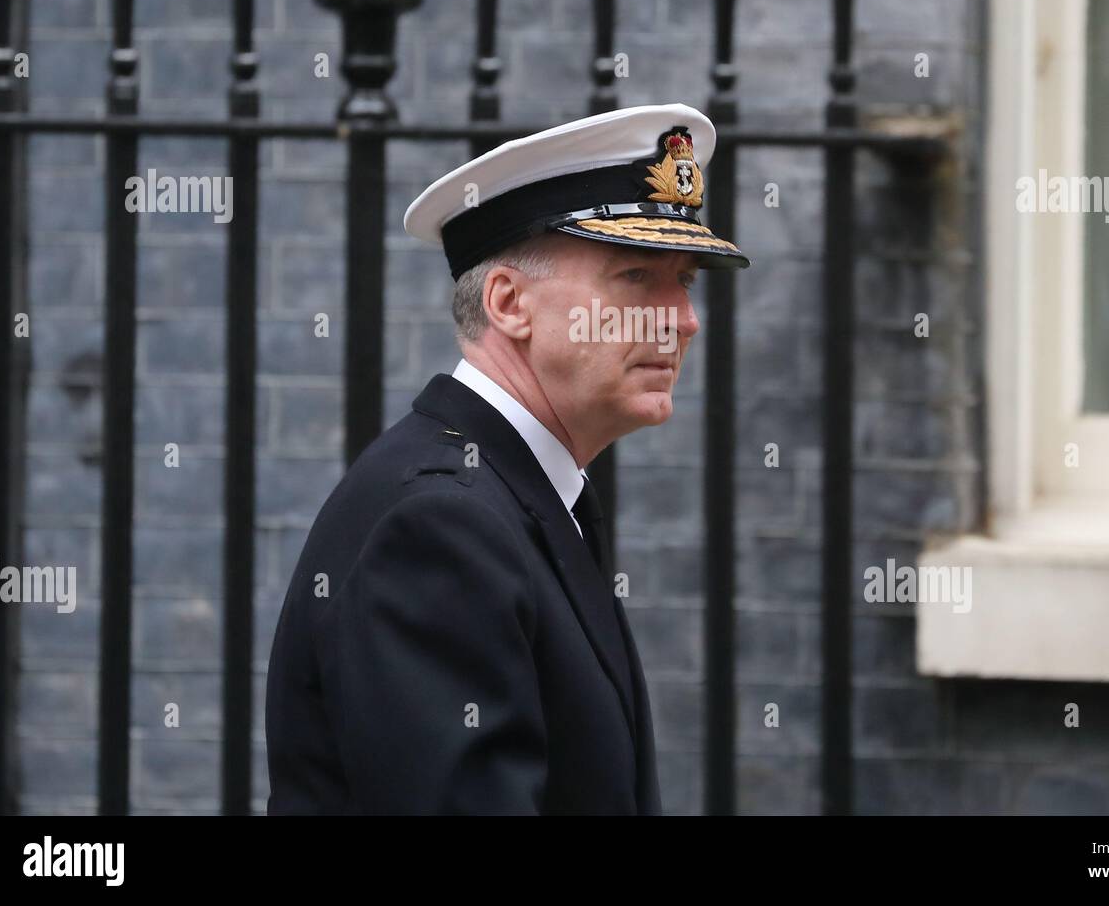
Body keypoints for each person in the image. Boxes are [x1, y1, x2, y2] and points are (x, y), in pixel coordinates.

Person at [265, 103, 749, 814]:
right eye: (636, 278)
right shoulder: (441, 526)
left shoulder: (513, 493)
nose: (682, 318)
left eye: (686, 281)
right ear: (509, 302)